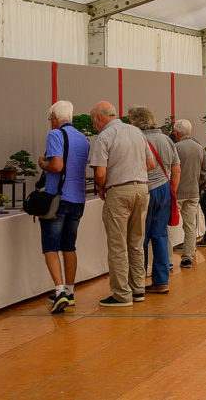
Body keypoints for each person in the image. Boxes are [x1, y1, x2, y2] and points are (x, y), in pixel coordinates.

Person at [89, 101, 154, 307]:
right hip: (142, 189)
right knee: (136, 242)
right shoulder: (136, 132)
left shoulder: (105, 136)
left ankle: (121, 294)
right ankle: (138, 289)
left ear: (100, 118)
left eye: (94, 121)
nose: (94, 126)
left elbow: (100, 173)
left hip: (119, 191)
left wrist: (102, 187)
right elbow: (151, 164)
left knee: (117, 244)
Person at [37, 100, 90, 313]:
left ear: (56, 118)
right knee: (69, 246)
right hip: (78, 199)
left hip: (57, 199)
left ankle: (58, 292)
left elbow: (57, 165)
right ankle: (69, 290)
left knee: (50, 246)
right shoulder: (83, 139)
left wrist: (42, 163)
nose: (50, 122)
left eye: (50, 118)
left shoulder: (55, 135)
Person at [128, 106, 181, 295]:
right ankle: (161, 281)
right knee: (160, 236)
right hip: (165, 189)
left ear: (134, 121)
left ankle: (137, 281)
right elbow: (176, 170)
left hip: (146, 190)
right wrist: (171, 192)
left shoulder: (137, 139)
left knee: (139, 236)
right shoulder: (167, 139)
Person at [172, 119, 206, 268]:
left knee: (168, 227)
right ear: (190, 131)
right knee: (190, 226)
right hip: (193, 192)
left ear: (176, 132)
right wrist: (196, 183)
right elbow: (205, 172)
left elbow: (171, 170)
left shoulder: (175, 148)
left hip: (176, 193)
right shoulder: (200, 148)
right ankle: (188, 257)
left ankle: (167, 260)